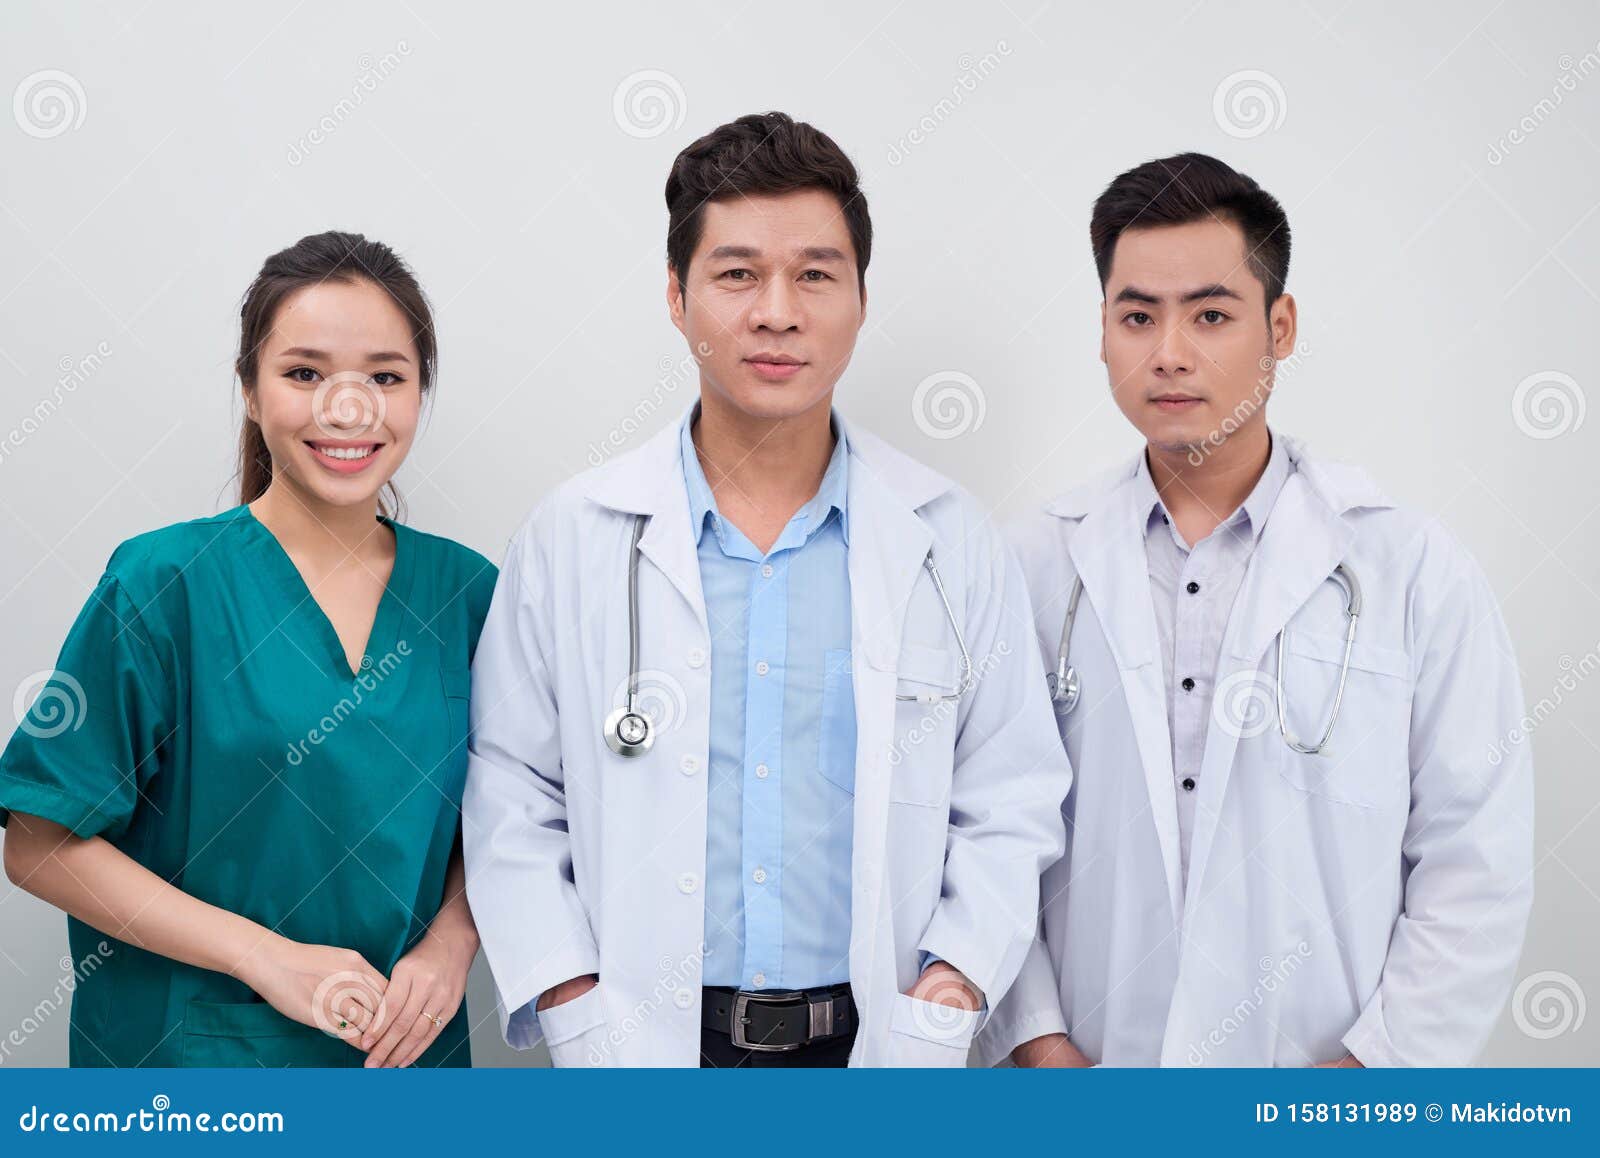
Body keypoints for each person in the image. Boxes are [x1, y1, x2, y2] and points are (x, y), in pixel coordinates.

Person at [463, 112, 1071, 1067]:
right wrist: (573, 998)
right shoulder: (572, 536)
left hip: (879, 1045)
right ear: (677, 296)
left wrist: (951, 987)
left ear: (861, 300)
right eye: (738, 274)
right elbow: (512, 795)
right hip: (646, 1050)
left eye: (816, 275)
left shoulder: (951, 541)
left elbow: (1011, 796)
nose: (777, 312)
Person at [980, 154, 1534, 1067]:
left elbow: (1476, 854)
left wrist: (1372, 1073)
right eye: (1137, 316)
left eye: (1211, 315)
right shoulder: (1029, 564)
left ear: (1280, 327)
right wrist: (1038, 1043)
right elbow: (988, 832)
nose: (1169, 352)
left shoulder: (1410, 568)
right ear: (1103, 332)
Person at [0, 232, 496, 1067]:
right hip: (193, 1072)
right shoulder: (163, 583)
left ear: (420, 394)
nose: (349, 409)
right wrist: (263, 957)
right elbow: (38, 844)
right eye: (304, 374)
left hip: (405, 1063)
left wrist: (454, 943)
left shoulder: (468, 594)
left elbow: (516, 816)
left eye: (385, 377)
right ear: (251, 393)